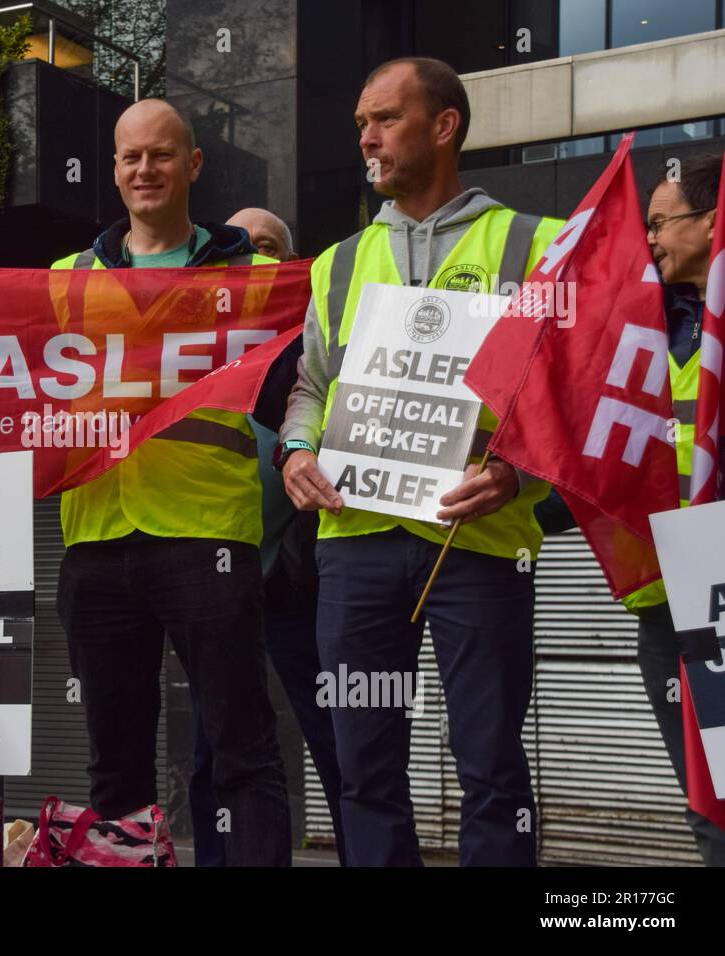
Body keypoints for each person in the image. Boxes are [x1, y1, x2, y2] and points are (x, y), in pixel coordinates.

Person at [279, 57, 563, 866]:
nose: (366, 137)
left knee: (492, 769)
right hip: (353, 544)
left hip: (477, 543)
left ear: (445, 126)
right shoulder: (337, 263)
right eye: (361, 122)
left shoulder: (530, 243)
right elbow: (310, 386)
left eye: (385, 119)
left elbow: (561, 399)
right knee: (363, 770)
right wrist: (297, 450)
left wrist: (519, 475)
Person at [50, 98, 293, 867]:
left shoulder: (257, 275)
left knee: (241, 751)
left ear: (192, 166)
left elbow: (304, 390)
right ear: (114, 172)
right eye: (130, 158)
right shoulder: (61, 280)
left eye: (161, 155)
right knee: (113, 767)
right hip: (94, 538)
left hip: (208, 537)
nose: (145, 170)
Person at [188, 210, 348, 866]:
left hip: (296, 584)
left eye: (267, 250)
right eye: (240, 250)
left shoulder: (317, 353)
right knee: (212, 752)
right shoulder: (191, 349)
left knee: (338, 743)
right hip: (216, 585)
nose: (253, 263)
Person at [628, 153, 724, 865]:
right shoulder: (656, 330)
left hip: (715, 586)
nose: (649, 237)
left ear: (713, 219)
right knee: (705, 801)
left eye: (661, 221)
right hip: (666, 596)